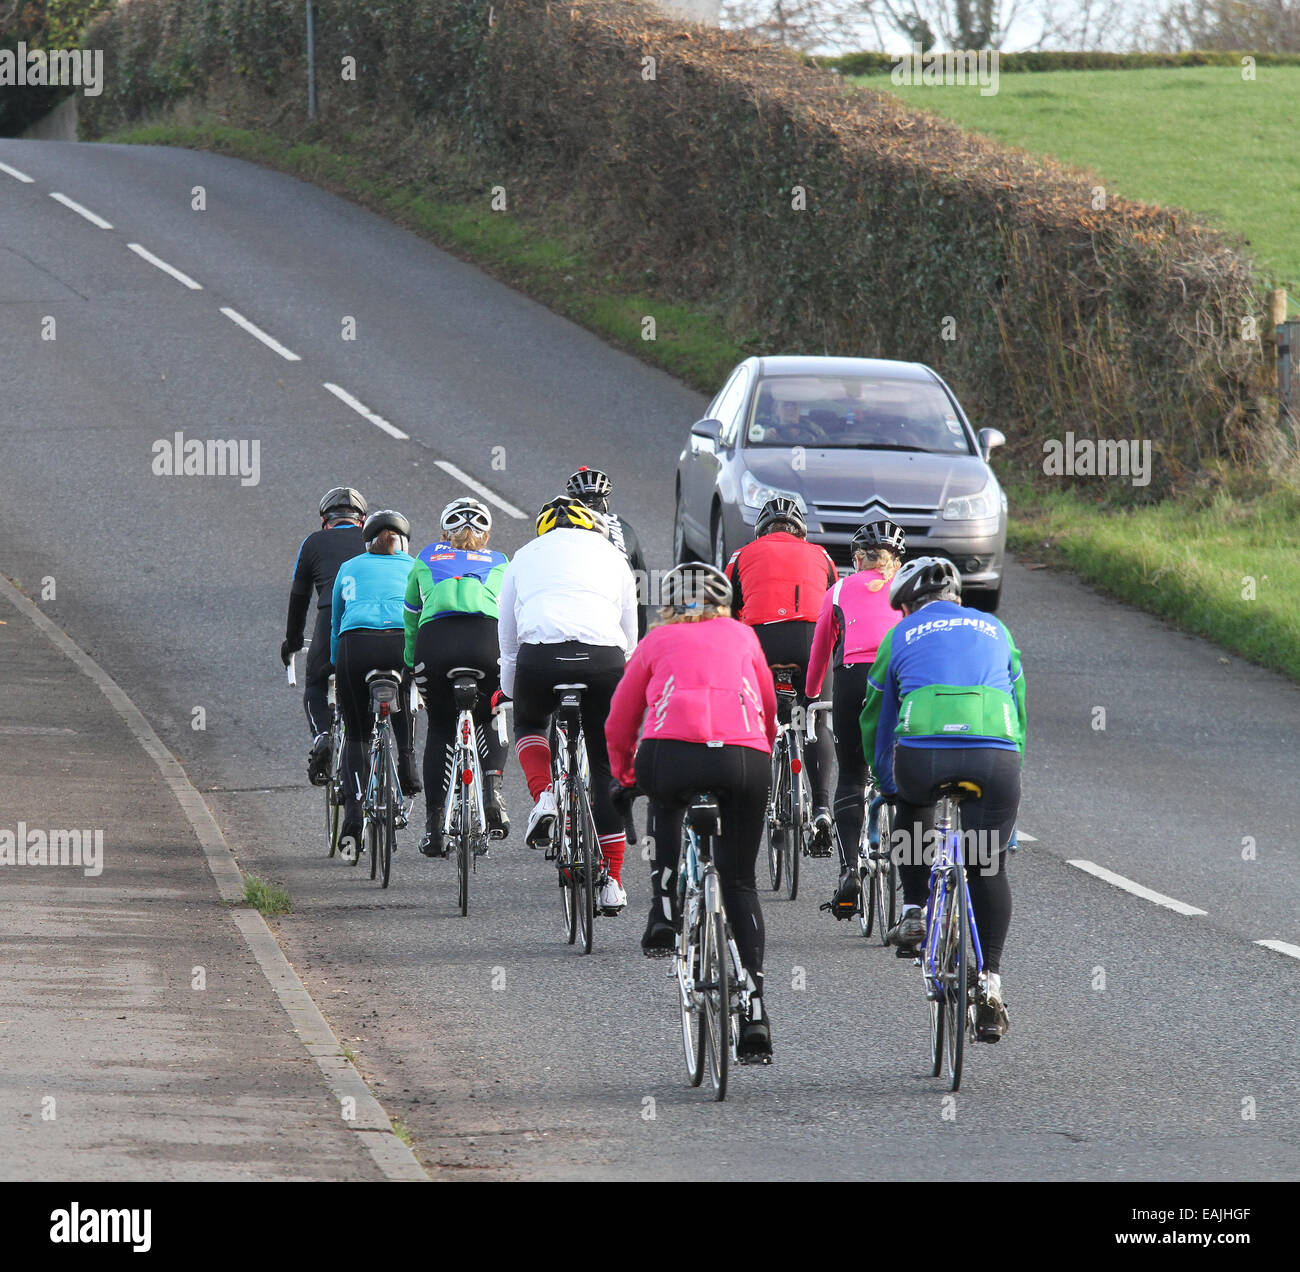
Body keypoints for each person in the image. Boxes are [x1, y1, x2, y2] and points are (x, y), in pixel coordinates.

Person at [606, 562, 777, 1061]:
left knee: (665, 805)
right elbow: (765, 704)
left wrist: (624, 776)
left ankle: (662, 910)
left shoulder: (656, 641)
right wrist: (758, 757)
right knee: (740, 881)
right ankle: (755, 1010)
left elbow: (621, 717)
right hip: (744, 758)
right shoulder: (744, 636)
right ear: (724, 604)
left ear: (669, 605)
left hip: (671, 752)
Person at [859, 557, 1025, 1042]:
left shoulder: (901, 636)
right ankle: (990, 985)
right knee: (987, 864)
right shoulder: (997, 629)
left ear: (906, 605)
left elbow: (877, 717)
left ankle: (914, 911)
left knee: (909, 805)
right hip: (995, 753)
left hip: (924, 752)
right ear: (958, 599)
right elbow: (1019, 710)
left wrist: (884, 780)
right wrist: (1013, 771)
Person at [498, 497, 638, 912]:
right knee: (604, 764)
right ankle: (612, 881)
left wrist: (510, 690)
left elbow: (507, 635)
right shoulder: (613, 555)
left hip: (541, 659)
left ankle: (544, 796)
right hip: (602, 660)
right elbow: (630, 634)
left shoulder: (523, 556)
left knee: (528, 724)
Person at [724, 496, 838, 851]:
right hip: (811, 639)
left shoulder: (741, 556)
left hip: (763, 639)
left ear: (761, 530)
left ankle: (755, 799)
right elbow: (835, 603)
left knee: (756, 721)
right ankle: (821, 807)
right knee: (817, 720)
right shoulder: (821, 555)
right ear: (800, 530)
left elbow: (728, 611)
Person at [808, 520, 907, 920]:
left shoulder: (838, 590)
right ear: (897, 564)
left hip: (851, 680)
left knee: (851, 773)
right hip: (898, 679)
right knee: (902, 774)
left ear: (856, 559)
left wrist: (812, 693)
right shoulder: (906, 593)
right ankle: (911, 876)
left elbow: (820, 647)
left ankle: (850, 869)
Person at [404, 497, 510, 858]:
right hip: (486, 642)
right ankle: (492, 791)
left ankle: (435, 828)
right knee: (492, 713)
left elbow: (410, 615)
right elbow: (513, 617)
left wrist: (408, 661)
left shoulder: (426, 556)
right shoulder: (499, 561)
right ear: (487, 535)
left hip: (436, 645)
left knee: (440, 727)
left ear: (443, 534)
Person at [330, 510, 420, 862]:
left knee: (356, 735)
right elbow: (423, 615)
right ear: (404, 542)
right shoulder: (414, 566)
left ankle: (354, 813)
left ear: (367, 541)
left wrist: (340, 668)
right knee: (405, 694)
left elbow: (336, 623)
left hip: (357, 643)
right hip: (400, 640)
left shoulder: (349, 567)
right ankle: (408, 763)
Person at [281, 487, 367, 784]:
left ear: (324, 520)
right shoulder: (378, 541)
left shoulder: (313, 542)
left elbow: (299, 597)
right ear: (362, 520)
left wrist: (292, 642)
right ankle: (396, 752)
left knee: (316, 684)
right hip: (379, 626)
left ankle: (322, 736)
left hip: (331, 619)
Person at [565, 467, 649, 641]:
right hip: (620, 595)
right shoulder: (622, 525)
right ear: (605, 501)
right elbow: (640, 579)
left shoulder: (561, 524)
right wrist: (639, 636)